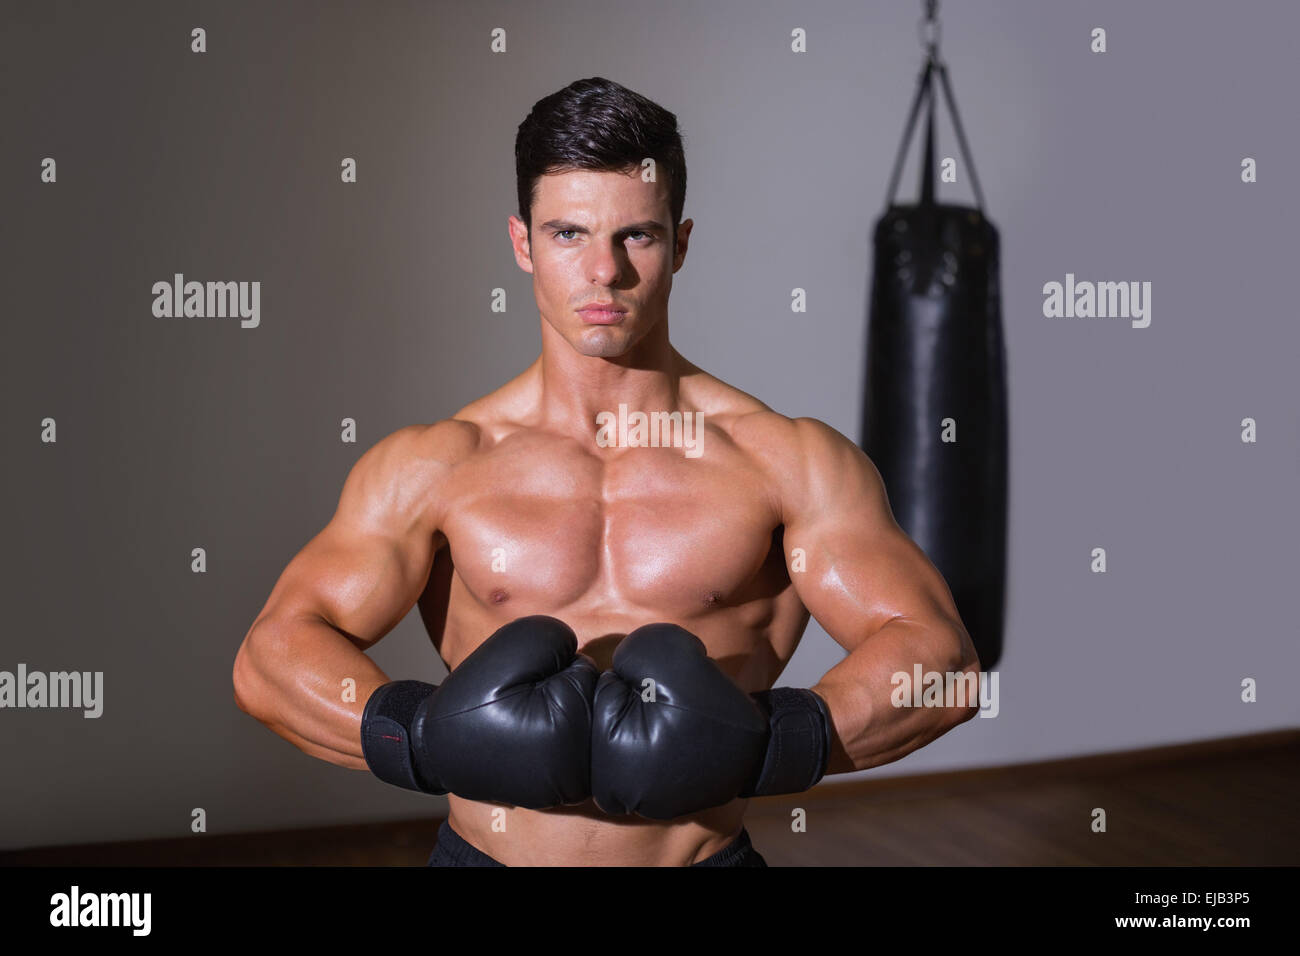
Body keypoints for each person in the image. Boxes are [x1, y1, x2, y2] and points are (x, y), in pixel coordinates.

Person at [232, 76, 980, 866]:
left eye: (638, 237)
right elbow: (272, 657)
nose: (603, 272)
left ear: (680, 244)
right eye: (567, 234)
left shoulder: (788, 460)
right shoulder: (435, 464)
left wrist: (773, 746)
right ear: (521, 243)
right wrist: (419, 736)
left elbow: (944, 661)